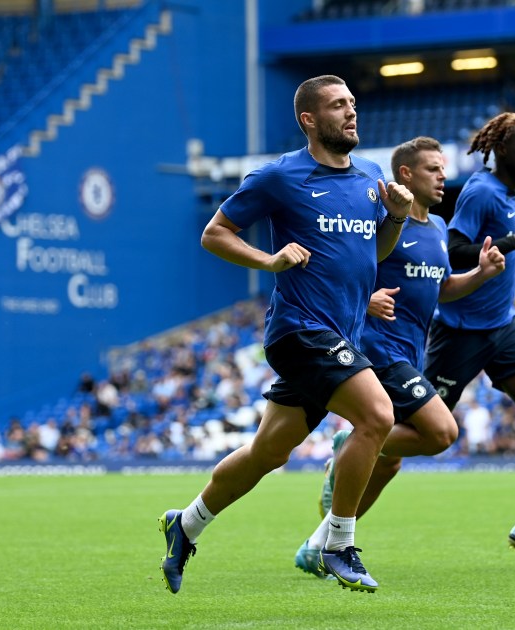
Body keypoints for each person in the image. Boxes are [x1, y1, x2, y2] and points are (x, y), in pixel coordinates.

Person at [157, 75, 414, 594]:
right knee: (378, 415)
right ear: (309, 120)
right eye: (338, 105)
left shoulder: (370, 176)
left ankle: (185, 525)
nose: (350, 112)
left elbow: (375, 254)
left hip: (341, 333)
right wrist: (270, 260)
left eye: (352, 104)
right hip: (300, 331)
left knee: (268, 453)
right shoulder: (280, 176)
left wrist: (397, 219)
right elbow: (215, 233)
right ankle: (338, 545)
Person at [293, 136, 506, 578]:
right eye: (432, 169)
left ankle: (319, 545)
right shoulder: (385, 220)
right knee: (442, 432)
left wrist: (482, 273)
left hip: (412, 353)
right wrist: (366, 297)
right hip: (377, 348)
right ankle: (346, 444)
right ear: (405, 174)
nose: (443, 176)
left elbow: (443, 289)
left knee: (387, 466)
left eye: (443, 169)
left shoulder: (440, 228)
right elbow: (342, 266)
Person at [423, 112, 515, 566]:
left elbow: (496, 255)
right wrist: (513, 239)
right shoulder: (481, 191)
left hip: (502, 325)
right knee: (421, 432)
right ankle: (347, 456)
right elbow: (453, 252)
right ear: (503, 150)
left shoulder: (508, 192)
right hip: (461, 331)